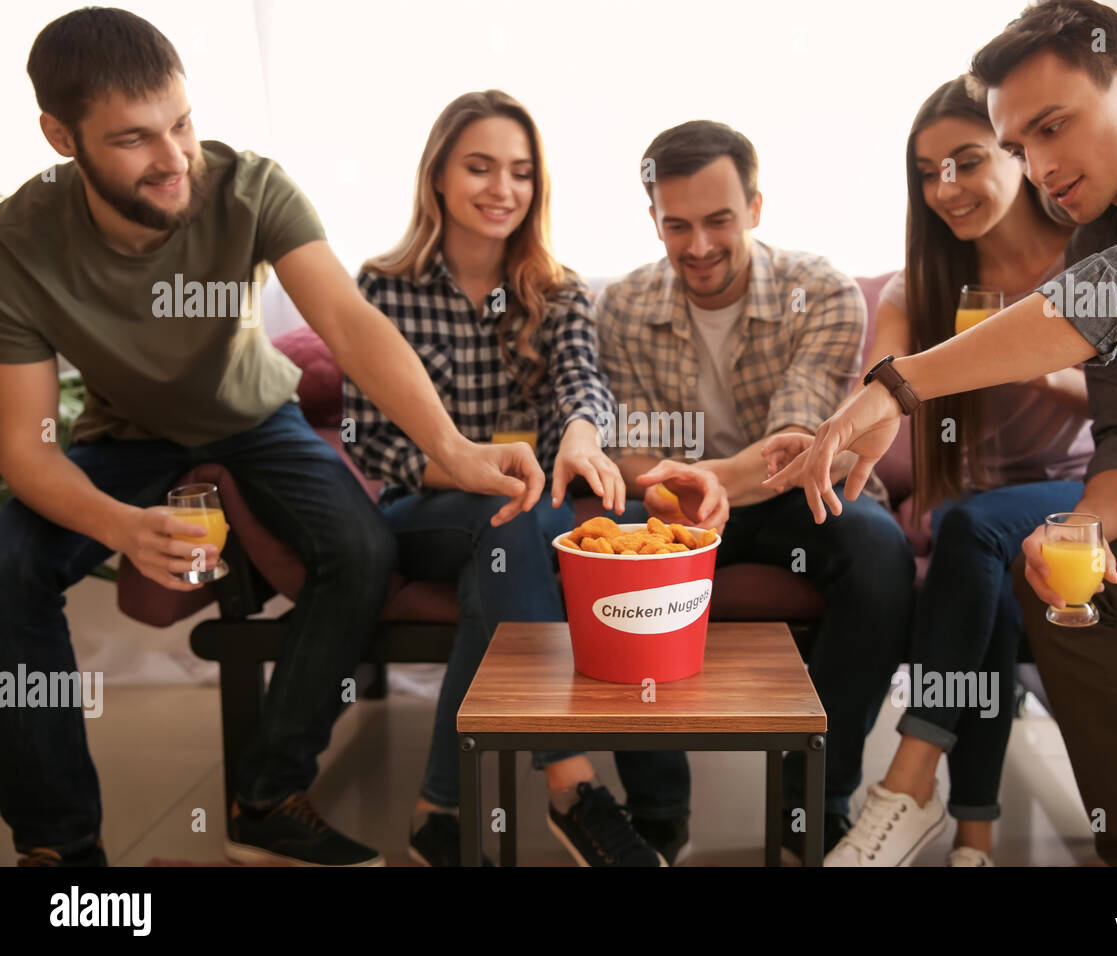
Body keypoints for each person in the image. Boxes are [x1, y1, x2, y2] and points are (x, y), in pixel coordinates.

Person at [0, 9, 541, 869]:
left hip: (255, 418)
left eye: (181, 122)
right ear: (60, 135)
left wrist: (453, 449)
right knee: (8, 564)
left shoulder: (251, 188)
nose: (175, 158)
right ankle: (60, 844)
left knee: (361, 554)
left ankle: (267, 796)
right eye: (135, 139)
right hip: (126, 435)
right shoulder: (20, 242)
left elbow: (351, 326)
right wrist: (122, 528)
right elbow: (27, 448)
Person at [769, 0, 1117, 866]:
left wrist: (896, 387)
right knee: (1058, 585)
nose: (1043, 167)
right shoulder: (1090, 239)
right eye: (1023, 147)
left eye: (1053, 128)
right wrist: (1085, 527)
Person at [767, 75, 1091, 867]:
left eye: (968, 161)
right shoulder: (922, 286)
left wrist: (1034, 363)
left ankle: (908, 784)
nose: (946, 188)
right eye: (928, 171)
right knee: (977, 550)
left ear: (1017, 156)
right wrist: (826, 440)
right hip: (978, 510)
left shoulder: (1087, 260)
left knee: (972, 530)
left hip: (1080, 486)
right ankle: (974, 837)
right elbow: (887, 388)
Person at [343, 90, 663, 867]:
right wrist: (459, 463)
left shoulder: (557, 287)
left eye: (520, 172)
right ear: (439, 179)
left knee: (515, 538)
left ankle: (438, 816)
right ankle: (571, 784)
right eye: (479, 167)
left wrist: (584, 437)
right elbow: (370, 437)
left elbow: (582, 385)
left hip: (533, 511)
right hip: (426, 509)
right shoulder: (384, 285)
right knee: (511, 523)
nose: (502, 189)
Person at [596, 120, 916, 865]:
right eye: (677, 225)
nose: (699, 246)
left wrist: (713, 476)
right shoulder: (622, 307)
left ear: (756, 208)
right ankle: (656, 815)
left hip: (787, 498)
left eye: (719, 221)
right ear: (653, 219)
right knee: (615, 572)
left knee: (878, 554)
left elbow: (797, 451)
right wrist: (684, 490)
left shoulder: (824, 291)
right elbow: (640, 455)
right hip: (673, 505)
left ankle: (813, 799)